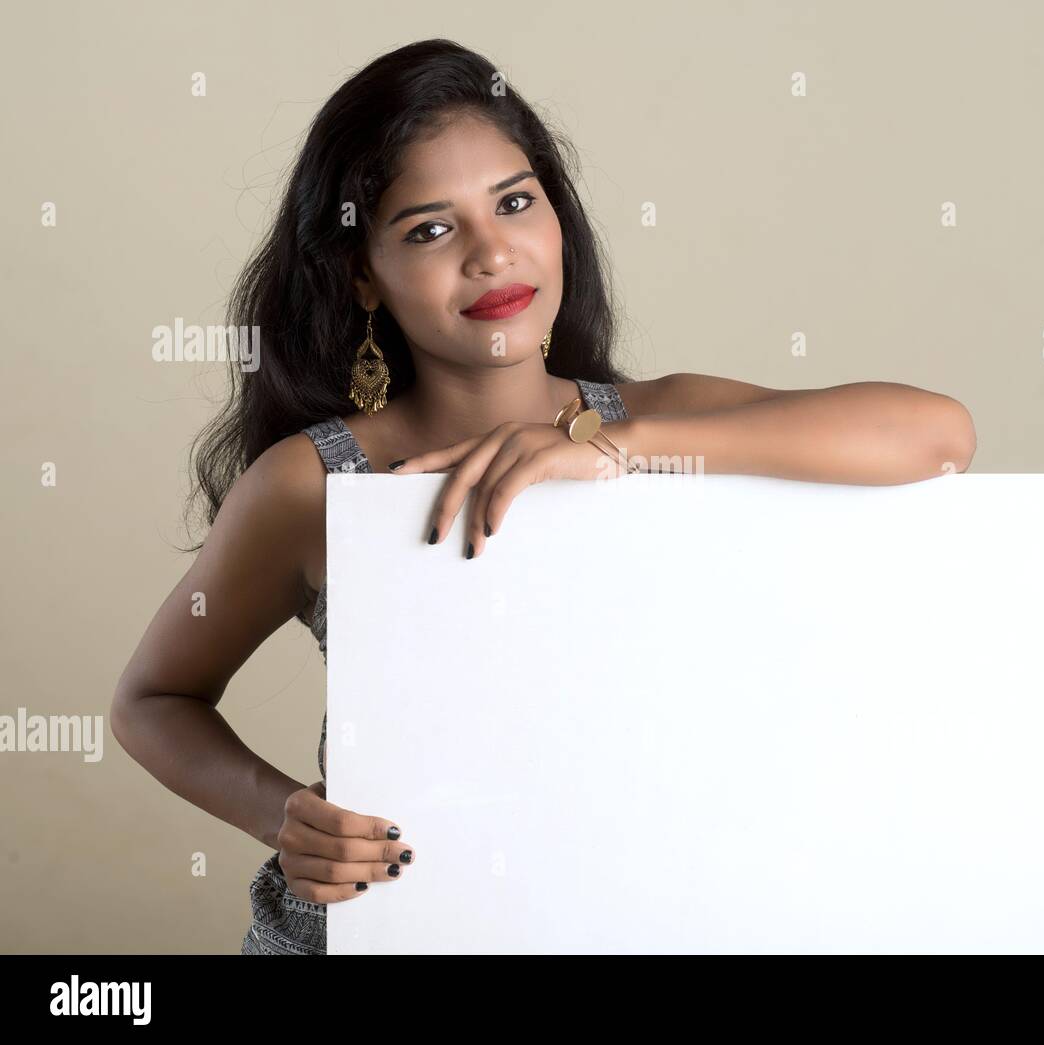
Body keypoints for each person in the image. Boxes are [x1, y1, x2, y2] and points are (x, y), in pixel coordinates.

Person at [110, 38, 977, 956]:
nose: (492, 253)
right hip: (381, 930)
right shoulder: (314, 480)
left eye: (516, 203)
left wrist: (618, 452)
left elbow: (938, 435)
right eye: (430, 229)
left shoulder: (657, 423)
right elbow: (152, 699)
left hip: (626, 918)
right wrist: (283, 815)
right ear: (363, 273)